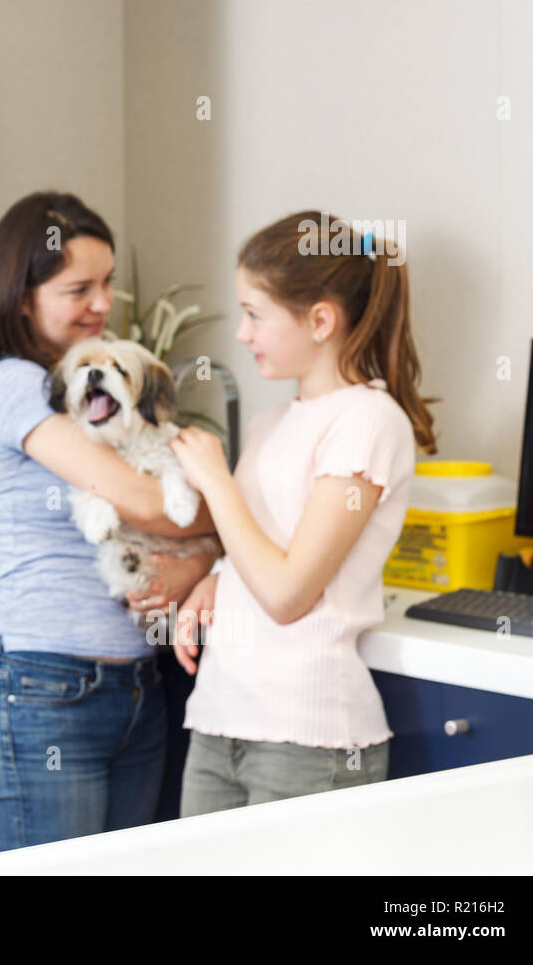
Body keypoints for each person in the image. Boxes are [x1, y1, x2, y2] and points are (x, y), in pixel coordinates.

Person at [0, 191, 221, 852]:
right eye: (79, 288)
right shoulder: (18, 385)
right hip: (45, 686)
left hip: (136, 683)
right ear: (22, 297)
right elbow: (140, 498)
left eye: (107, 283)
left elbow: (195, 517)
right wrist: (220, 523)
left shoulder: (97, 389)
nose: (102, 303)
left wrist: (199, 557)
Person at [169, 210, 436, 815]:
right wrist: (219, 580)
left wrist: (215, 481)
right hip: (218, 721)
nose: (242, 333)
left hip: (307, 739)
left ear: (320, 320)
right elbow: (266, 547)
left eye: (255, 314)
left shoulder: (368, 421)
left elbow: (290, 595)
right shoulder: (270, 424)